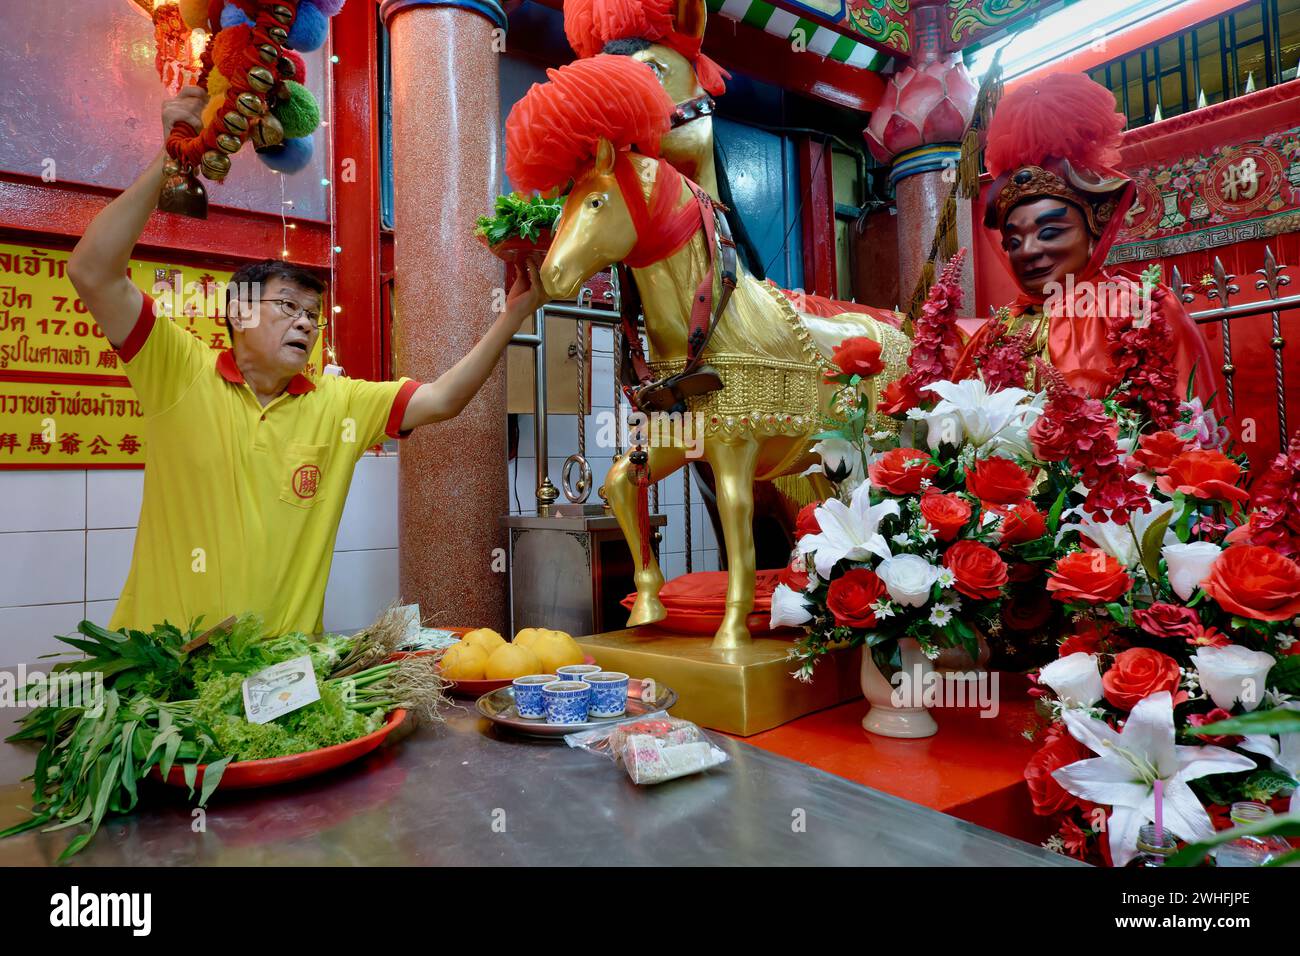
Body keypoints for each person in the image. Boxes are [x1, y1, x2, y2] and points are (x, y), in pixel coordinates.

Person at [68, 87, 549, 636]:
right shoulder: (178, 371)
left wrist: (512, 316)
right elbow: (93, 272)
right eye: (288, 307)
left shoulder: (337, 402)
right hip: (165, 674)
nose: (304, 323)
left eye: (313, 314)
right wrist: (172, 156)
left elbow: (444, 399)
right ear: (240, 313)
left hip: (282, 681)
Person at [954, 72, 1221, 421]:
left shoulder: (1138, 309)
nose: (1029, 251)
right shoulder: (999, 331)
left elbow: (1191, 430)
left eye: (1049, 233)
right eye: (1014, 241)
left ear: (1094, 227)